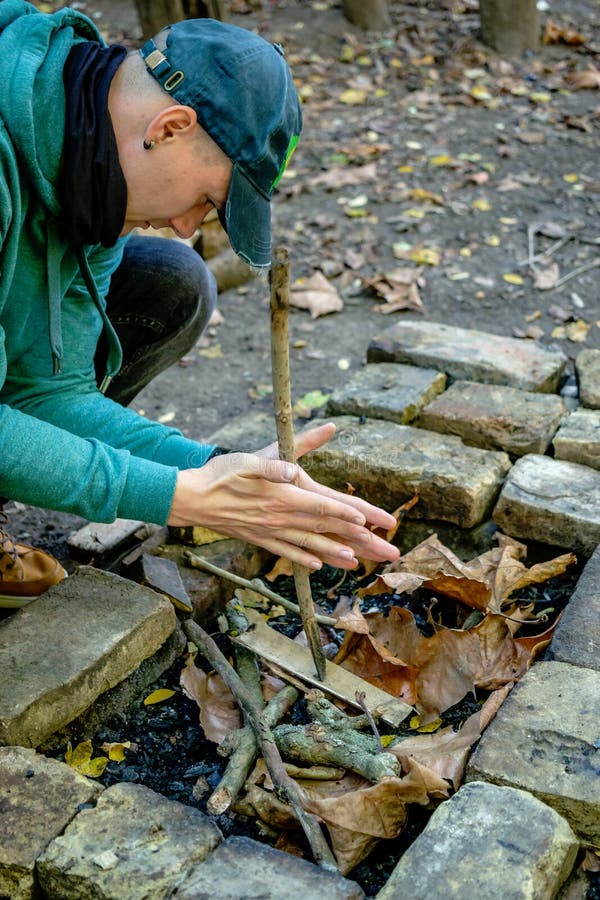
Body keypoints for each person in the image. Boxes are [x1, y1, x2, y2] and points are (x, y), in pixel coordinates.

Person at [0, 0, 399, 607]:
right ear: (170, 127)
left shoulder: (91, 173)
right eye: (208, 199)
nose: (187, 225)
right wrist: (175, 496)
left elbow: (46, 393)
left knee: (173, 278)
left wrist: (220, 470)